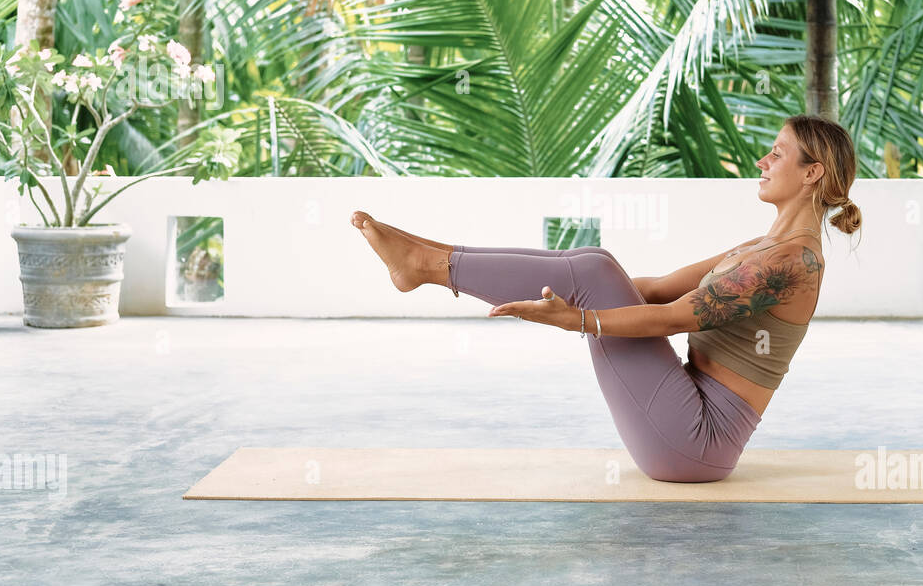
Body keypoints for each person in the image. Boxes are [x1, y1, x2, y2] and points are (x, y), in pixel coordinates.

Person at [351, 114, 862, 483]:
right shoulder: (763, 246)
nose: (762, 160)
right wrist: (581, 286)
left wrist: (579, 319)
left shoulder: (793, 261)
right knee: (599, 262)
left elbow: (673, 317)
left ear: (812, 172)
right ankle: (430, 257)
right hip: (685, 421)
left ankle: (427, 265)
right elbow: (658, 287)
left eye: (777, 152)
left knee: (595, 270)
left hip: (694, 444)